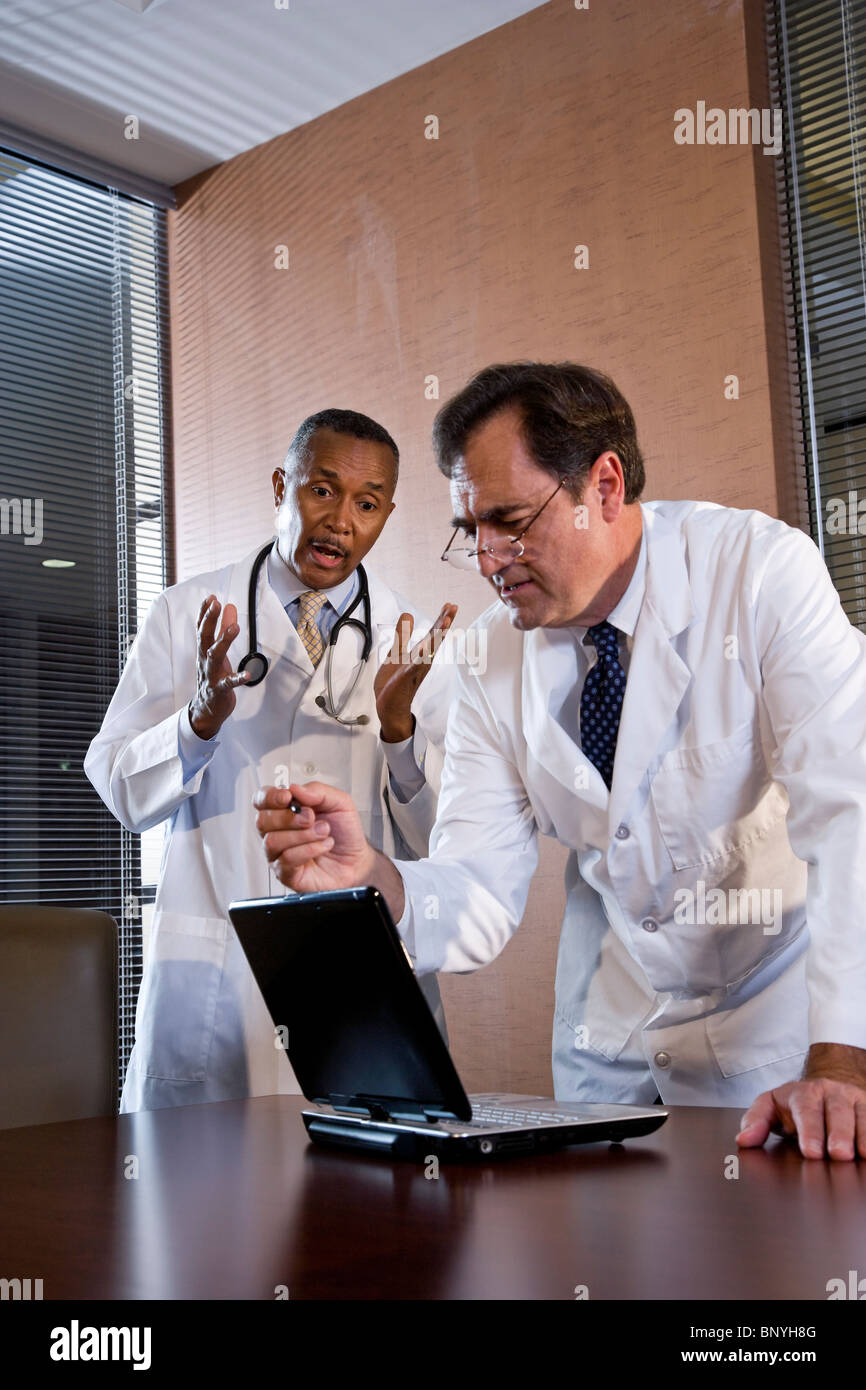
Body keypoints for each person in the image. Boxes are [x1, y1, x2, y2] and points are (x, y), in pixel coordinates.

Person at [254, 363, 866, 1161]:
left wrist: (843, 1053)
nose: (487, 558)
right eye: (470, 530)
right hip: (608, 1047)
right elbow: (477, 883)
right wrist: (376, 875)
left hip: (777, 1040)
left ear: (604, 486)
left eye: (508, 519)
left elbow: (847, 810)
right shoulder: (484, 660)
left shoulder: (757, 573)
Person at [85, 408, 457, 1112]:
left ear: (387, 514)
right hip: (216, 975)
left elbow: (447, 844)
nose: (342, 521)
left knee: (370, 1212)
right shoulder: (187, 611)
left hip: (357, 981)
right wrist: (196, 723)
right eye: (323, 490)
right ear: (283, 485)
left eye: (367, 503)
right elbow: (120, 790)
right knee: (195, 1212)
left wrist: (401, 732)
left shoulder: (411, 643)